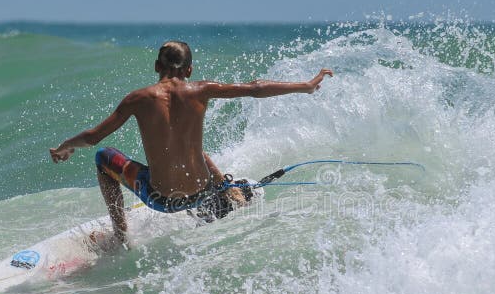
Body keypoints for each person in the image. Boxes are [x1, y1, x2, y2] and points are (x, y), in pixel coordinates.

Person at [50, 40, 333, 244]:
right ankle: (226, 191)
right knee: (192, 147)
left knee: (103, 157)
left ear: (156, 66)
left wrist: (66, 146)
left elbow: (92, 137)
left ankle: (120, 237)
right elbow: (255, 88)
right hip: (202, 191)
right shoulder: (201, 90)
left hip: (162, 199)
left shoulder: (139, 98)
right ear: (189, 70)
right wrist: (306, 86)